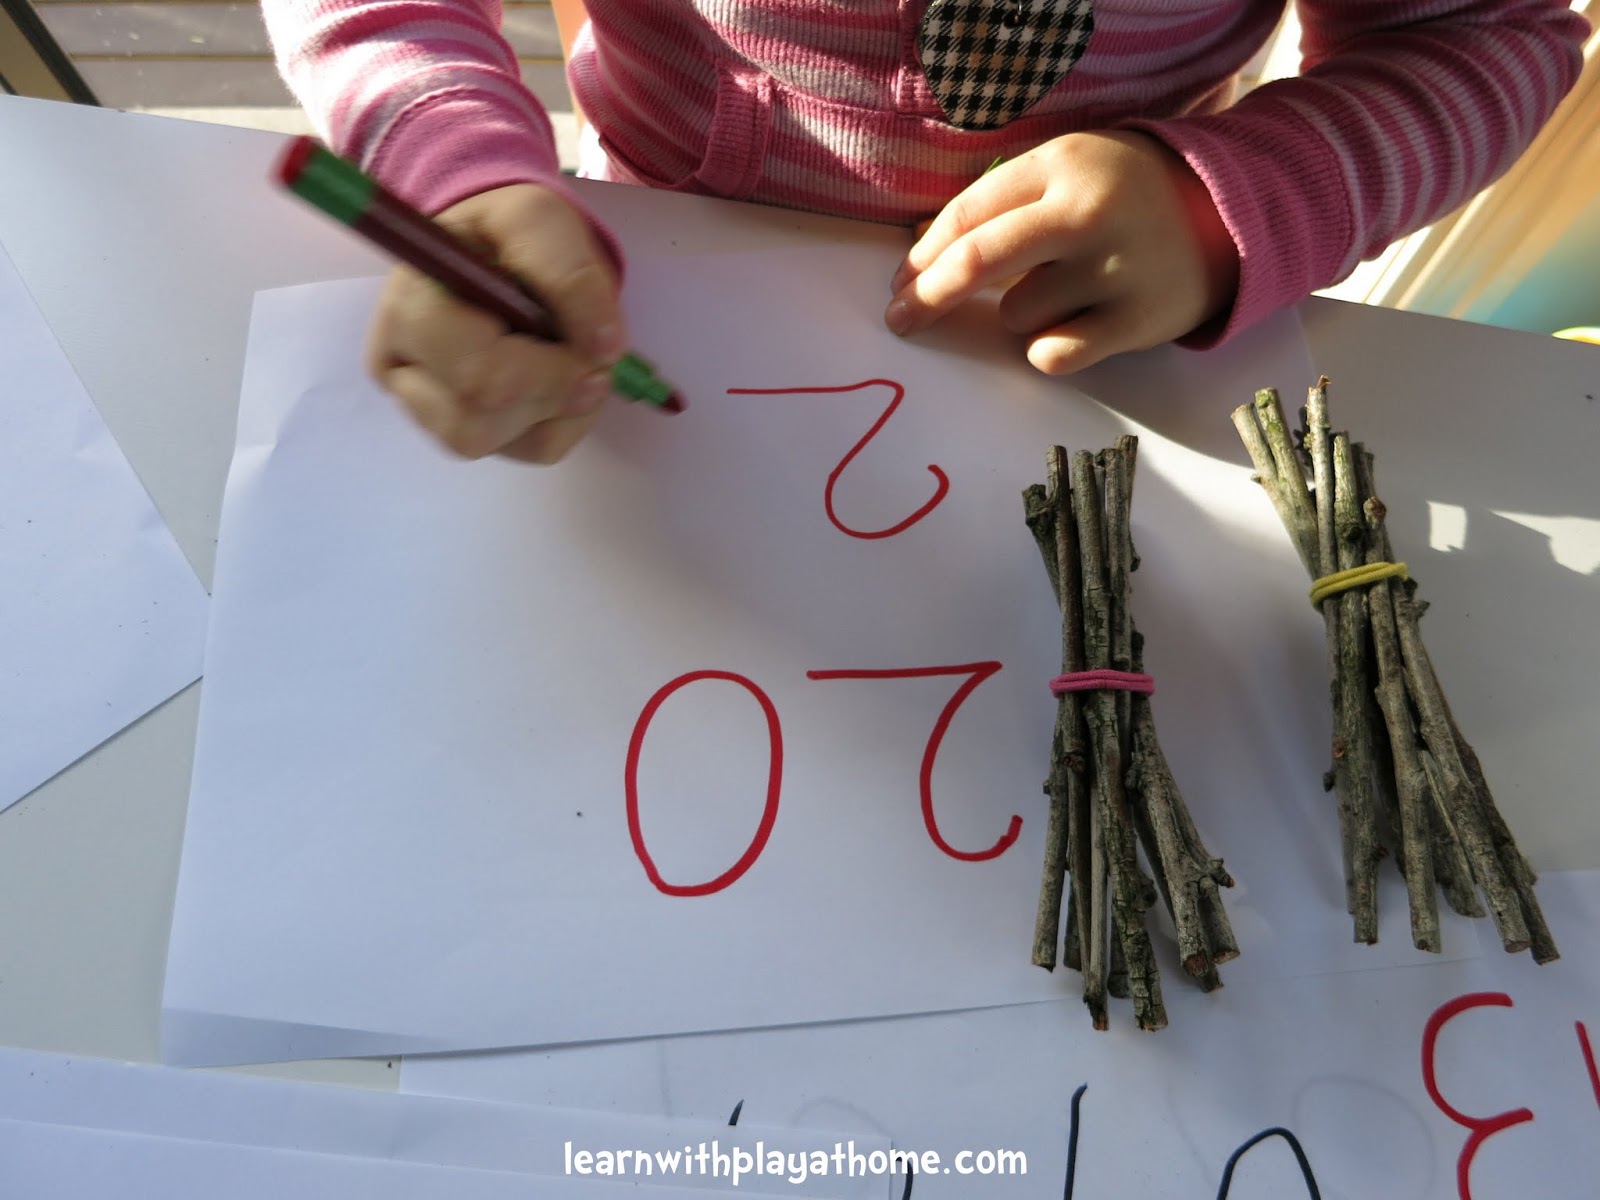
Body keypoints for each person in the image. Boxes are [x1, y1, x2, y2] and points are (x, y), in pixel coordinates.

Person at [262, 0, 1589, 463]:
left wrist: (1228, 199)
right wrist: (457, 172)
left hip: (1111, 346)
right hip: (667, 268)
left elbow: (1481, 33)